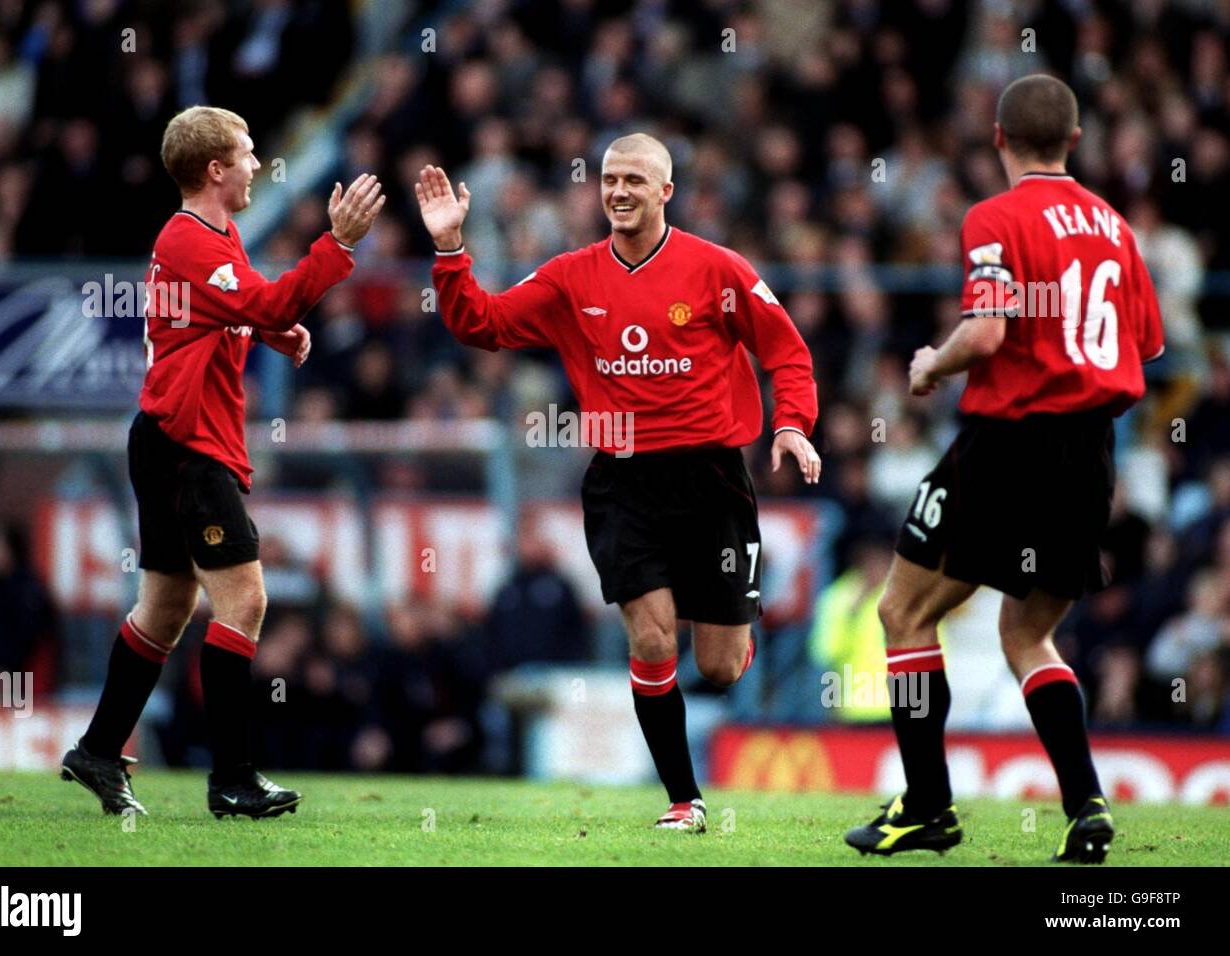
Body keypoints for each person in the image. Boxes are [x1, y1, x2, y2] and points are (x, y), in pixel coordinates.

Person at [415, 133, 820, 831]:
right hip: (622, 482)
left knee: (720, 667)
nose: (619, 192)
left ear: (665, 192)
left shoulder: (718, 270)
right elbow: (480, 324)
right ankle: (684, 800)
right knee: (653, 637)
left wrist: (793, 426)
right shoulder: (572, 277)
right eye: (609, 180)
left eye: (635, 180)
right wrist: (451, 250)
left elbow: (787, 351)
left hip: (712, 477)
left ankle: (735, 633)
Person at [844, 75, 1164, 863]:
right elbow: (1147, 347)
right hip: (1090, 455)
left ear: (998, 140)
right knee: (1028, 634)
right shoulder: (1115, 227)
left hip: (1010, 441)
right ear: (1075, 141)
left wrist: (930, 363)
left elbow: (986, 333)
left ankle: (925, 806)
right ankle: (1087, 805)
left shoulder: (994, 217)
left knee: (902, 613)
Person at [61, 106, 385, 818]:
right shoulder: (191, 241)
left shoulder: (213, 236)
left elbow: (230, 313)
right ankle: (232, 778)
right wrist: (336, 246)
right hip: (188, 446)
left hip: (169, 436)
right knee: (245, 600)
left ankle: (97, 749)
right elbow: (260, 299)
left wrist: (273, 333)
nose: (256, 164)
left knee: (167, 606)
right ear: (216, 169)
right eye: (246, 153)